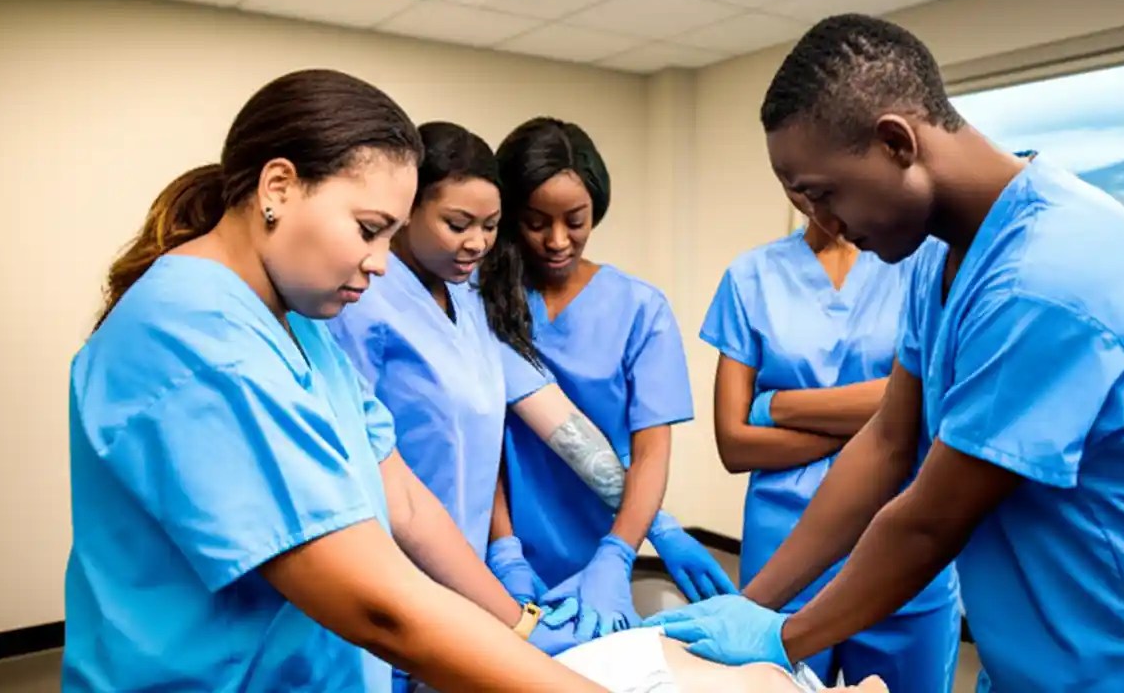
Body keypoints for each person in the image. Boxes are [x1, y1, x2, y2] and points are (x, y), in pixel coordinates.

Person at [647, 14, 1124, 692]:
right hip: (1039, 654)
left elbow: (931, 520)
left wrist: (784, 636)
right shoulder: (944, 261)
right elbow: (887, 442)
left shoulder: (1046, 277)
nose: (825, 224)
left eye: (823, 194)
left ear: (897, 141)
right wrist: (754, 601)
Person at [63, 69, 608, 693]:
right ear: (279, 187)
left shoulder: (300, 328)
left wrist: (518, 625)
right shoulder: (188, 338)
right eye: (369, 229)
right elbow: (379, 607)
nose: (379, 262)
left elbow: (401, 498)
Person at [325, 121, 725, 689]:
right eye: (459, 224)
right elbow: (400, 475)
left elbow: (559, 424)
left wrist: (643, 536)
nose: (556, 239)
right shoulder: (386, 299)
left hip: (501, 567)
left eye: (487, 226)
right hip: (418, 564)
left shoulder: (469, 301)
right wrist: (507, 554)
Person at [699, 183, 960, 692]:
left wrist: (776, 405)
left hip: (900, 547)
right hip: (782, 545)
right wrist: (883, 422)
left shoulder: (921, 263)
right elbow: (734, 443)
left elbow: (932, 398)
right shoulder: (751, 277)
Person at [485, 117, 737, 632]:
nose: (558, 240)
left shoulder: (639, 309)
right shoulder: (482, 304)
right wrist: (503, 549)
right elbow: (482, 443)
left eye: (575, 220)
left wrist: (621, 550)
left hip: (604, 547)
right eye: (536, 222)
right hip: (495, 553)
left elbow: (651, 452)